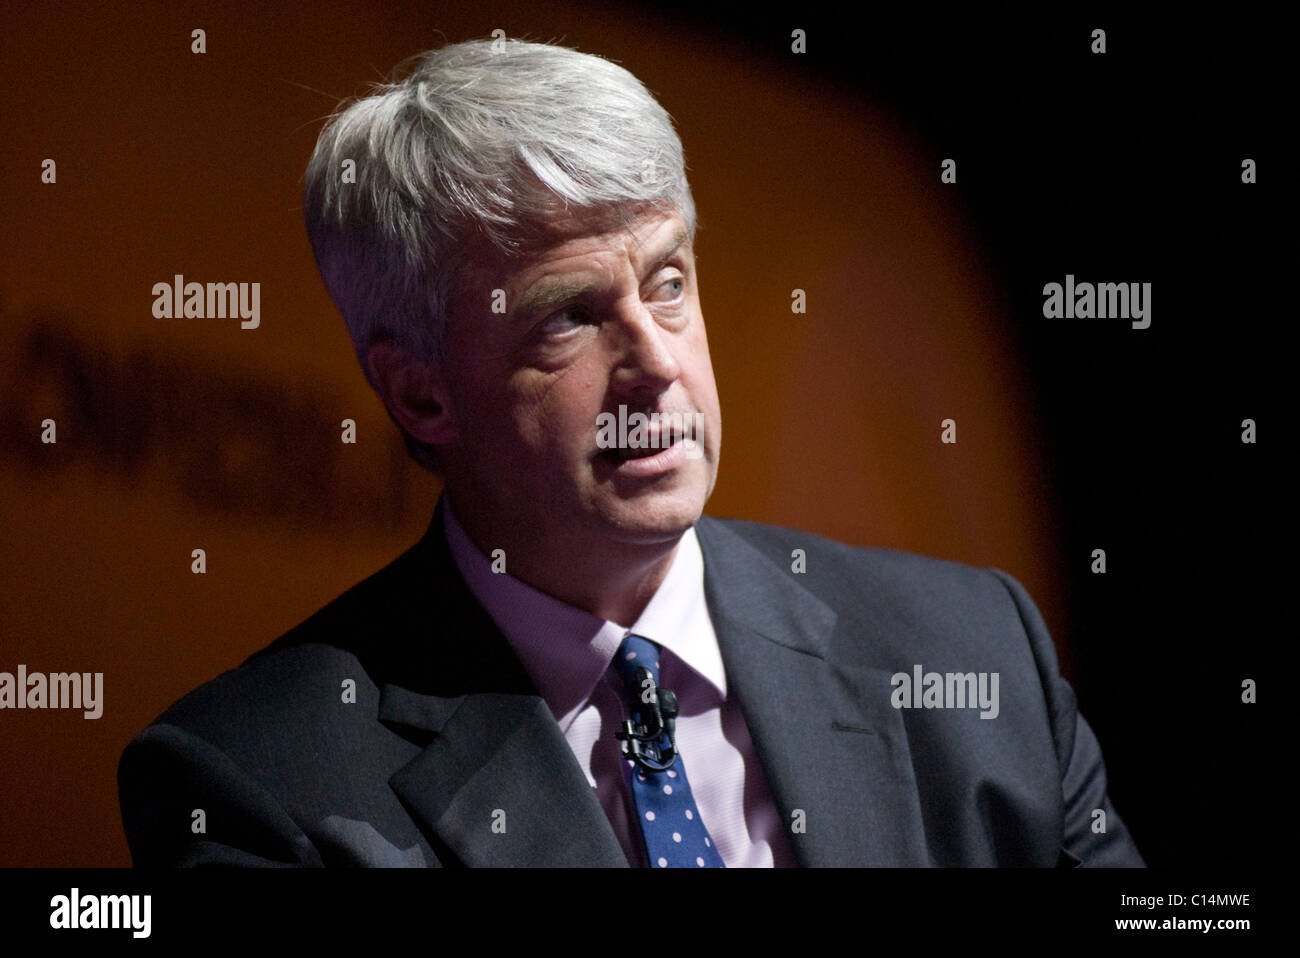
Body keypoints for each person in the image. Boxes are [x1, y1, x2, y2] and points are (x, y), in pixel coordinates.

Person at [118, 38, 1143, 868]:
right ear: (420, 390)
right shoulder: (260, 779)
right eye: (569, 315)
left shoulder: (971, 657)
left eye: (667, 282)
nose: (654, 361)